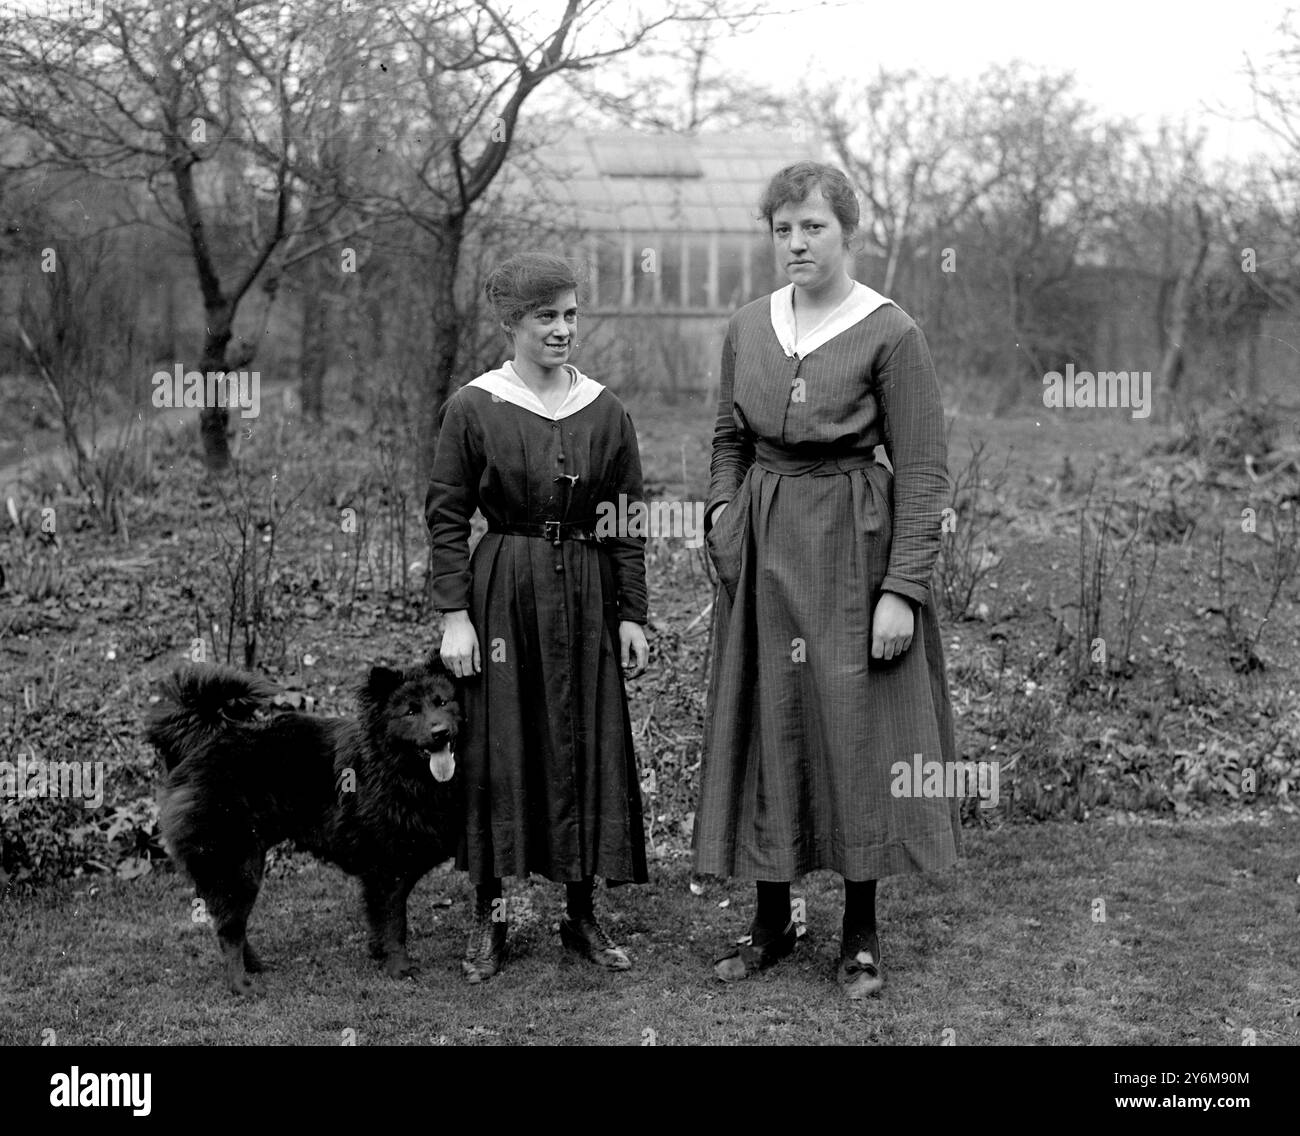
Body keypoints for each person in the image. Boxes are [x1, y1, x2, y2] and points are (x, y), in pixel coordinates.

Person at [694, 162, 960, 999]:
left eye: (813, 227)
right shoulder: (747, 325)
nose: (796, 243)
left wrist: (901, 591)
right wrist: (719, 517)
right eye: (783, 229)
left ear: (847, 233)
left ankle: (860, 931)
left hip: (855, 547)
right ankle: (771, 921)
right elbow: (727, 439)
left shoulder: (890, 330)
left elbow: (922, 470)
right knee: (769, 722)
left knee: (856, 735)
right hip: (765, 547)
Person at [426, 252, 650, 983]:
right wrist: (454, 615)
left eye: (571, 315)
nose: (562, 330)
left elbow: (625, 519)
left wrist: (632, 614)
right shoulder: (474, 405)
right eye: (545, 317)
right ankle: (489, 919)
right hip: (504, 593)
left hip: (585, 592)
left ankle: (581, 917)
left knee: (584, 742)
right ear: (511, 323)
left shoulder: (605, 410)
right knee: (500, 747)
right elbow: (447, 516)